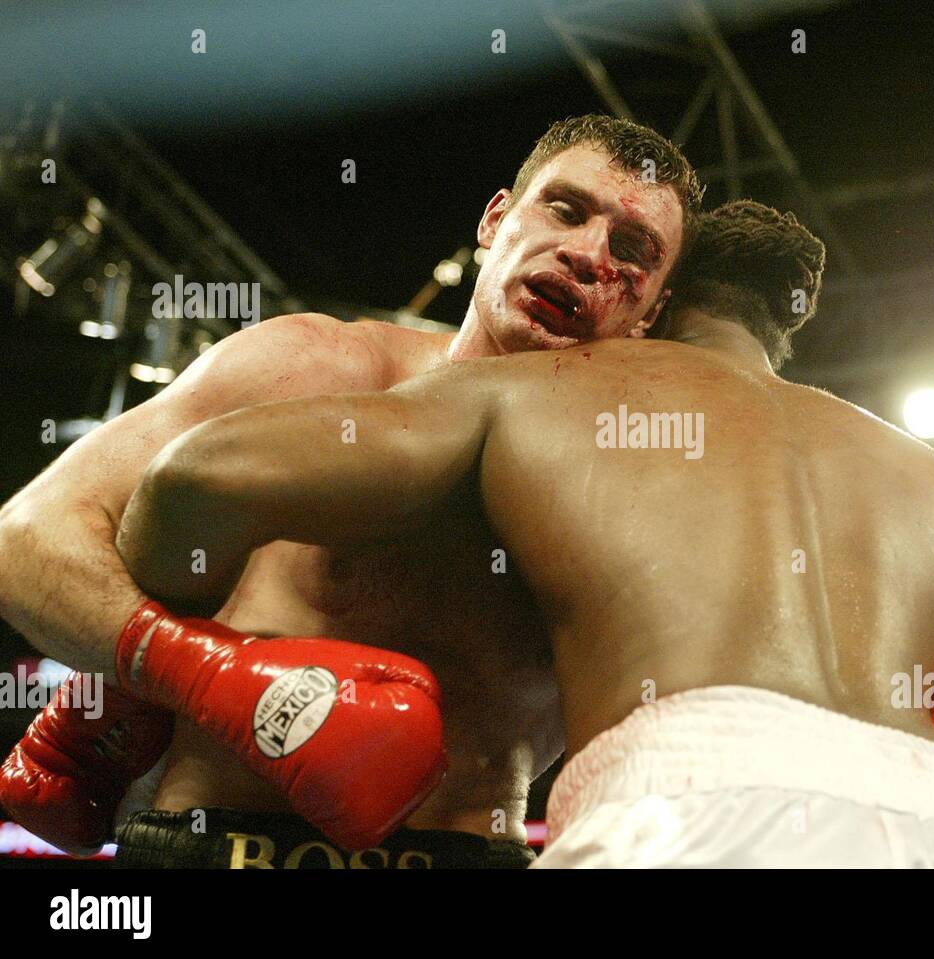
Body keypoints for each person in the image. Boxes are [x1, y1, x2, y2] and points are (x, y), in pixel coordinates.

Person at [111, 199, 934, 867]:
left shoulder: (539, 394)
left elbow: (201, 472)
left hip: (678, 820)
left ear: (647, 298)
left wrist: (169, 656)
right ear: (780, 338)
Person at [0, 114, 703, 868]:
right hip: (221, 839)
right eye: (566, 209)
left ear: (650, 314)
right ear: (495, 221)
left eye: (632, 250)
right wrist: (203, 673)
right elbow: (23, 537)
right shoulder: (319, 369)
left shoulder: (638, 485)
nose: (589, 253)